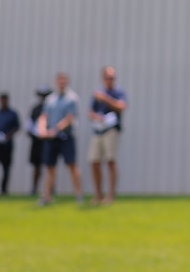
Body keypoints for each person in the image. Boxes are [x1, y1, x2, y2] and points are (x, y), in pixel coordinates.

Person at [37, 72, 83, 206]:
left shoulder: (72, 98)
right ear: (57, 82)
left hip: (66, 136)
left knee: (72, 164)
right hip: (51, 138)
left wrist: (55, 130)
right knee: (50, 167)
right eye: (59, 80)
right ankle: (47, 196)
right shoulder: (51, 99)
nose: (61, 82)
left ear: (67, 82)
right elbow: (44, 116)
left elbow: (70, 118)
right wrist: (42, 129)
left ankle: (79, 195)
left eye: (64, 80)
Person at [88, 65, 128, 205]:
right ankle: (99, 195)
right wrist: (96, 117)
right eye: (108, 77)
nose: (110, 80)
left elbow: (122, 107)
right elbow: (90, 112)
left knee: (111, 161)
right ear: (103, 78)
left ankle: (111, 195)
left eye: (113, 77)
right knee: (94, 162)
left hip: (112, 130)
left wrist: (106, 99)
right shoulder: (98, 93)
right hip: (98, 130)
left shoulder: (118, 92)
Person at [27, 85, 53, 196]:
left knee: (50, 166)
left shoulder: (52, 108)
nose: (44, 98)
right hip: (37, 141)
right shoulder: (35, 109)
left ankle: (50, 189)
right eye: (42, 96)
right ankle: (35, 188)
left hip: (48, 140)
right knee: (37, 166)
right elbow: (29, 125)